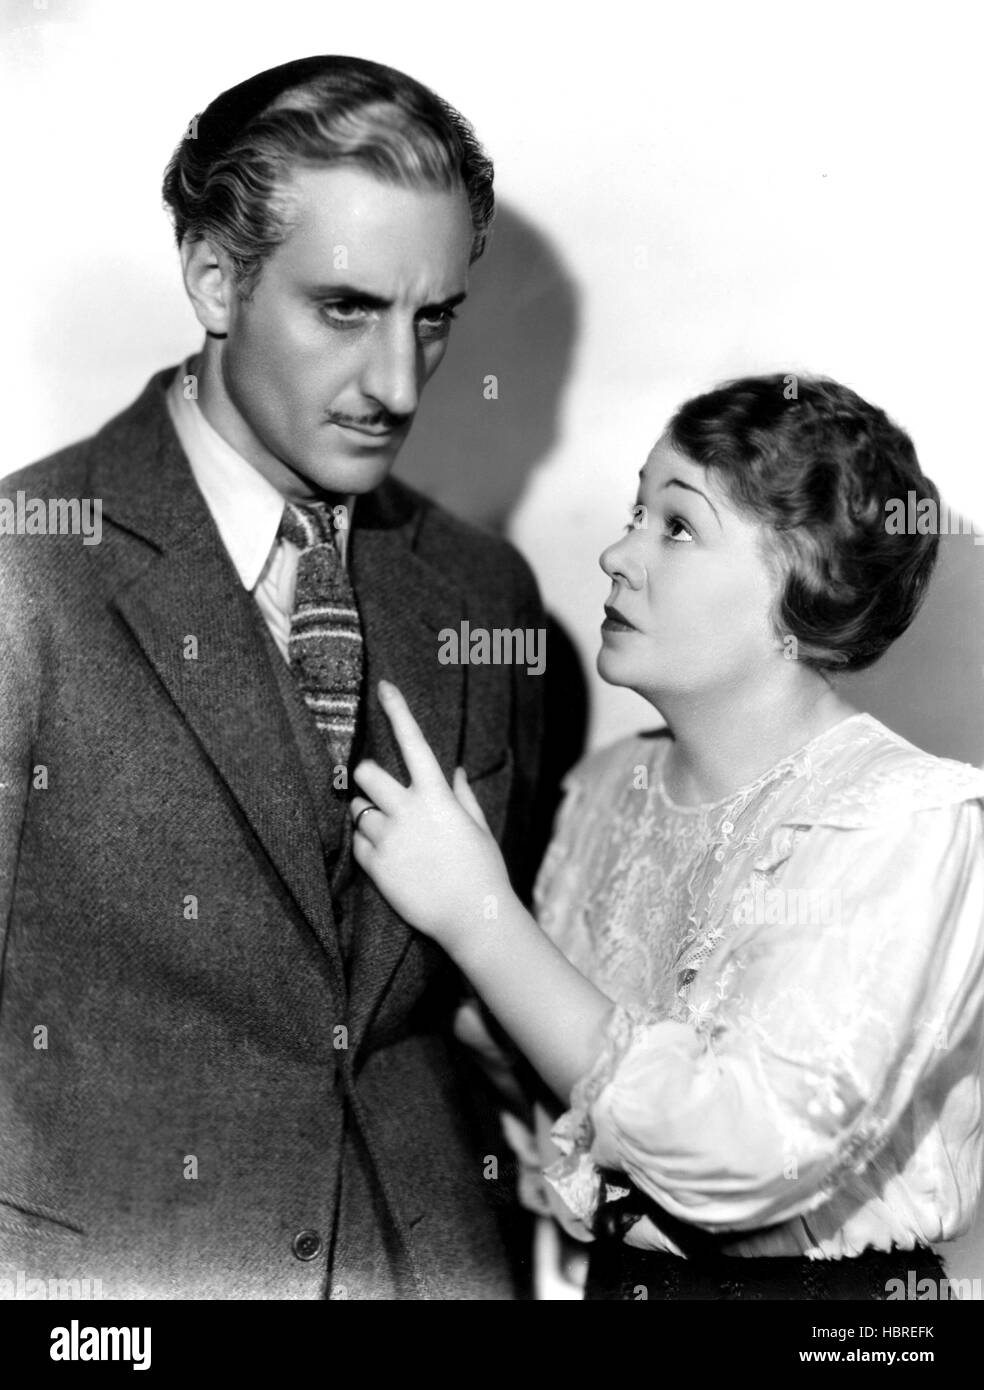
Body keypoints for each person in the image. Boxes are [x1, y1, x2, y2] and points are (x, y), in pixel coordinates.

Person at [0, 56, 544, 1300]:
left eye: (436, 316)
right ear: (212, 276)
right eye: (345, 307)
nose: (401, 386)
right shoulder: (22, 567)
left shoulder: (482, 592)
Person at [350, 374, 984, 1299]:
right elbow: (564, 1090)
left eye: (677, 526)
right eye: (634, 513)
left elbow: (742, 1149)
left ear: (806, 580)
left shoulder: (906, 821)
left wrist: (479, 917)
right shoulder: (607, 790)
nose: (616, 554)